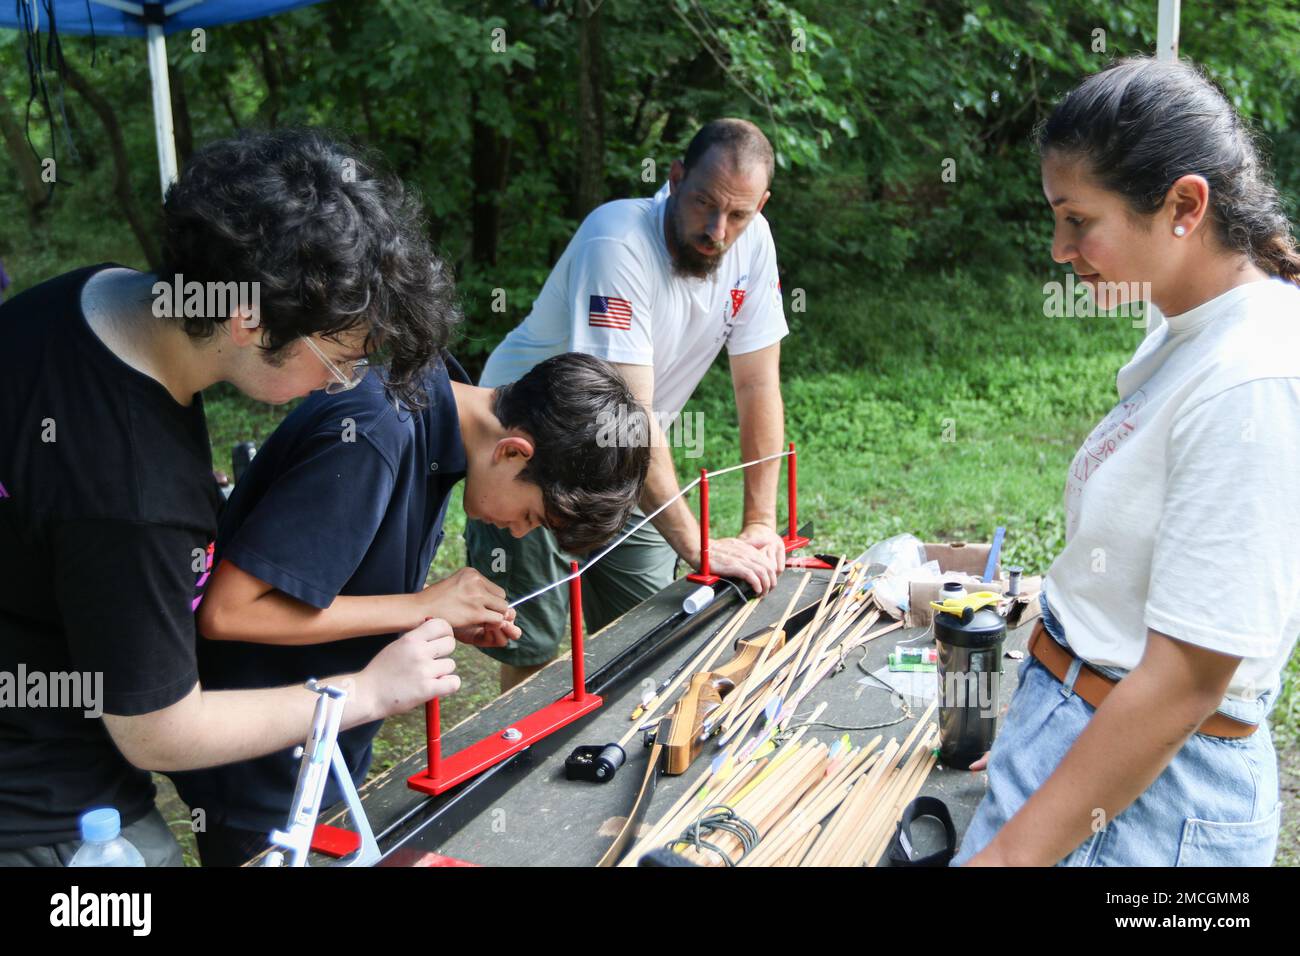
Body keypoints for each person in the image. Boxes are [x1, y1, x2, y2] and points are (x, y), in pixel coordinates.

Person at [0, 128, 463, 866]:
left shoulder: (92, 297)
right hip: (39, 799)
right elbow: (159, 733)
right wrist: (366, 691)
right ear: (249, 321)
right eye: (341, 361)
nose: (342, 386)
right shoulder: (133, 492)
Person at [954, 57, 1300, 867]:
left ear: (1184, 205)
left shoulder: (1252, 378)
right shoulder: (1190, 329)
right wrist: (1049, 730)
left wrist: (1015, 851)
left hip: (1149, 809)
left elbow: (1186, 677)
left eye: (1078, 220)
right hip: (1093, 753)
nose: (1058, 248)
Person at [171, 353, 649, 865]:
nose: (520, 531)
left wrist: (430, 615)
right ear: (513, 452)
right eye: (532, 515)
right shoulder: (376, 433)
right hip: (260, 770)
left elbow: (332, 576)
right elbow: (228, 613)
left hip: (324, 749)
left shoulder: (432, 416)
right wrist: (419, 604)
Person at [469, 118, 792, 692]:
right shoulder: (617, 241)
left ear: (760, 206)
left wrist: (760, 523)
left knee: (653, 628)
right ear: (674, 179)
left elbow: (757, 385)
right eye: (704, 204)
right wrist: (698, 545)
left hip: (625, 452)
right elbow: (627, 414)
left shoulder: (755, 244)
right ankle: (526, 770)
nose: (718, 229)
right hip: (522, 449)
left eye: (739, 215)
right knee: (535, 644)